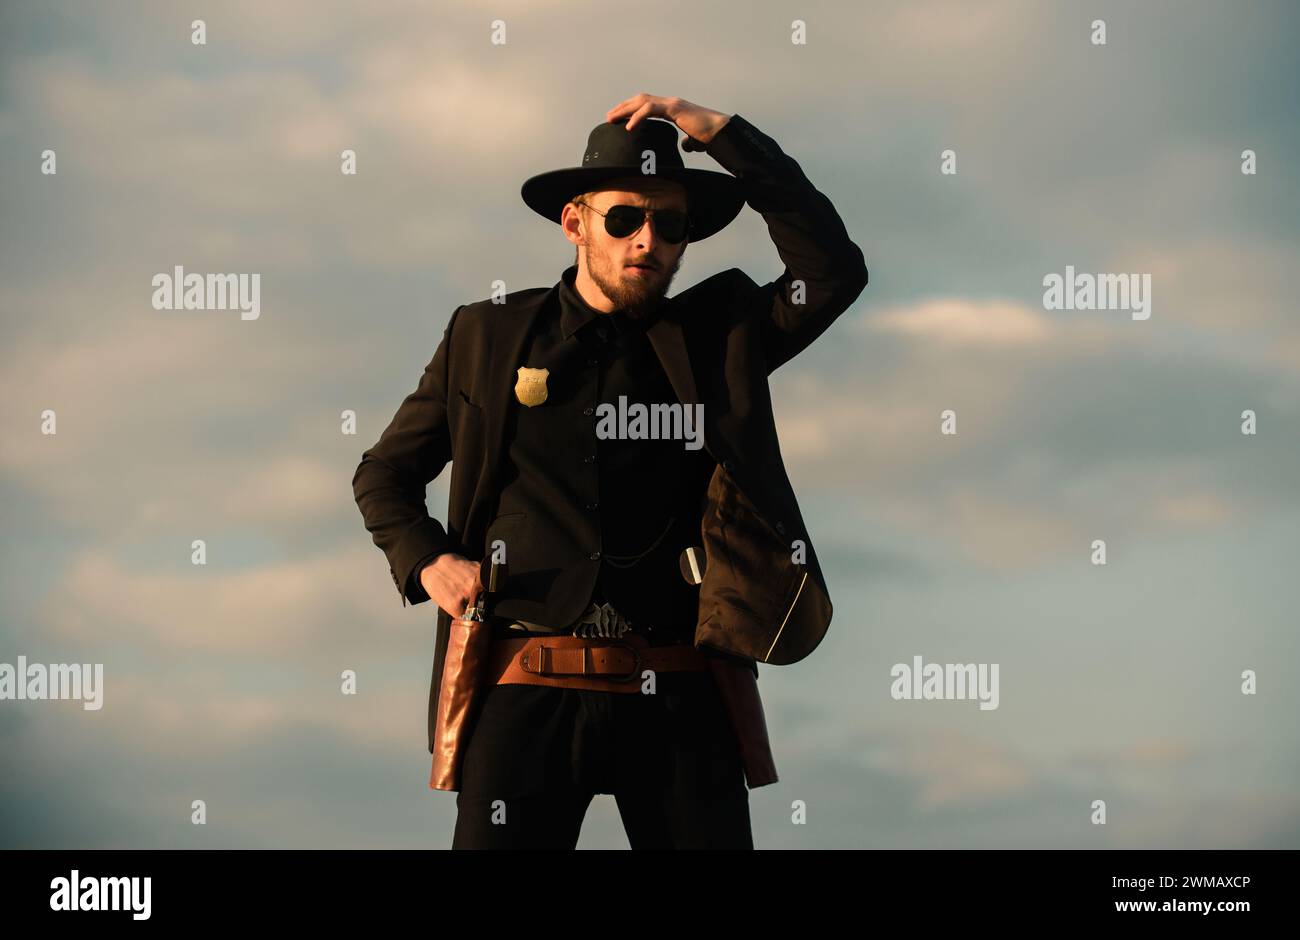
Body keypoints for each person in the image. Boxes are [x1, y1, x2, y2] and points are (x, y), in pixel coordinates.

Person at [352, 93, 868, 849]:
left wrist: (725, 136)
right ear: (576, 223)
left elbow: (831, 271)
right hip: (521, 683)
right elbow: (384, 475)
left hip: (682, 688)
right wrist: (427, 560)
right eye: (624, 218)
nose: (646, 240)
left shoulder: (720, 337)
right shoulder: (487, 335)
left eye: (670, 223)